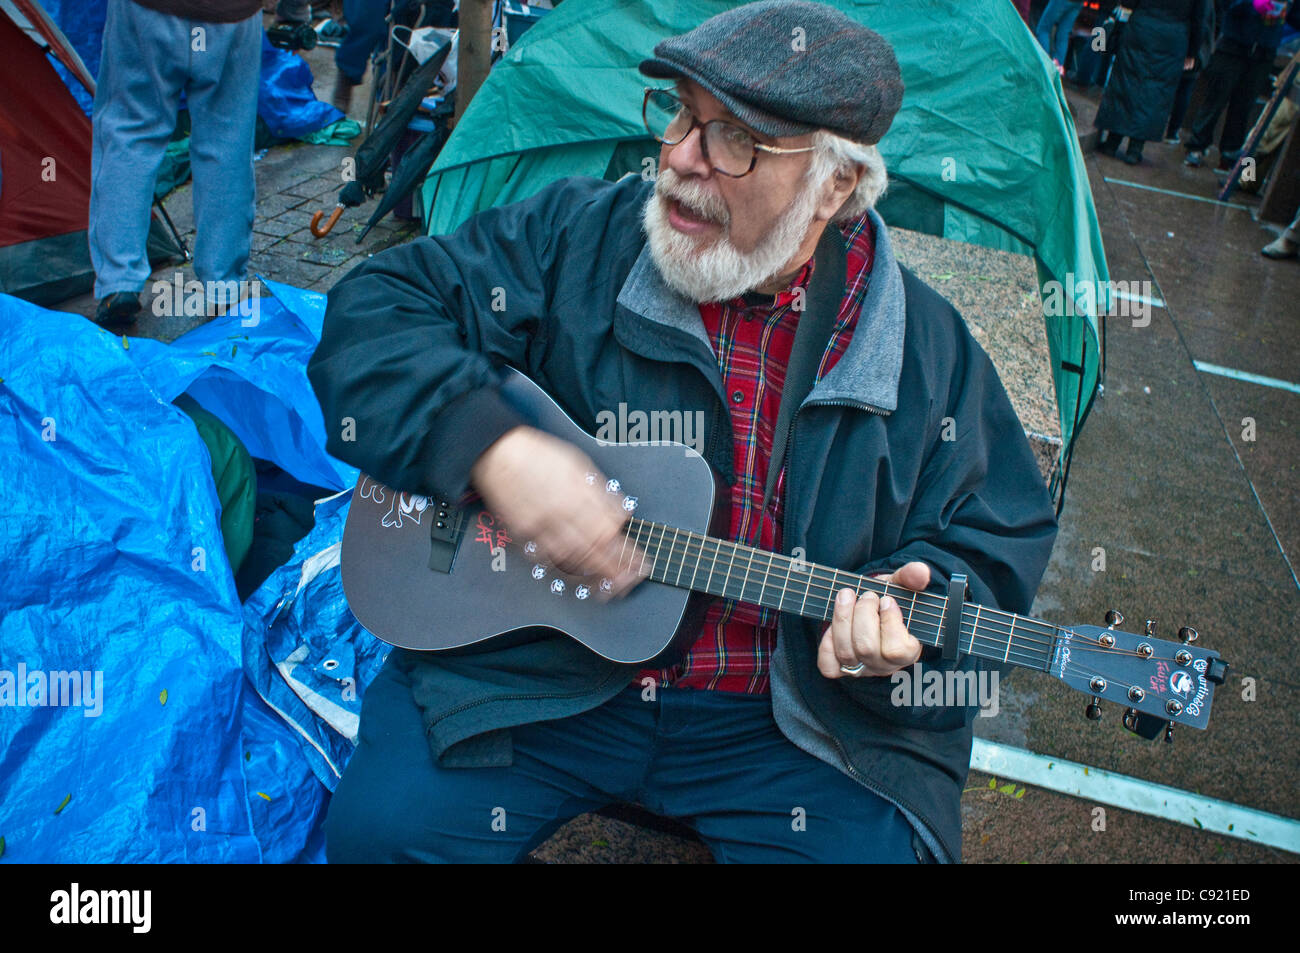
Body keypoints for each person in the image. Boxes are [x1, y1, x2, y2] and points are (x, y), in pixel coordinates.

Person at [308, 0, 1058, 864]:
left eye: (736, 138)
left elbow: (996, 541)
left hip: (784, 725)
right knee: (381, 836)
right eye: (681, 116)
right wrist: (490, 445)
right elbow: (379, 308)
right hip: (544, 683)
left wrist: (913, 625)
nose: (680, 160)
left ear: (837, 183)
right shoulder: (580, 236)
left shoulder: (925, 350)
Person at [88, 0, 261, 328]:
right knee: (227, 144)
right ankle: (222, 284)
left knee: (132, 131)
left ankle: (119, 281)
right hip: (232, 13)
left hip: (148, 9)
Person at [1184, 0, 1300, 168]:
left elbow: (1295, 17)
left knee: (1244, 107)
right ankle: (1196, 146)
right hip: (1233, 45)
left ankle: (1230, 154)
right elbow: (1226, 5)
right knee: (1215, 99)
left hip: (1264, 52)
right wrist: (1253, 4)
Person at [1094, 0, 1211, 165]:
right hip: (1173, 39)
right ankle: (1135, 149)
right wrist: (1192, 51)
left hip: (1141, 29)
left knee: (1127, 83)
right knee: (1155, 93)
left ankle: (1112, 143)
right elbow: (1200, 19)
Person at [1035, 0, 1084, 72]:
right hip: (1078, 2)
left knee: (1043, 30)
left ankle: (1045, 65)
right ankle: (1057, 67)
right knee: (1063, 34)